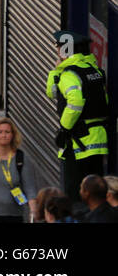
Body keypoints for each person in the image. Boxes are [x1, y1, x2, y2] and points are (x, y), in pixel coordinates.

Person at [47, 32, 110, 195]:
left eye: (58, 47)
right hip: (98, 139)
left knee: (75, 194)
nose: (57, 50)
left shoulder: (69, 75)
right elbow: (103, 100)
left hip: (78, 142)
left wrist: (64, 128)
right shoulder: (94, 70)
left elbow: (65, 98)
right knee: (96, 193)